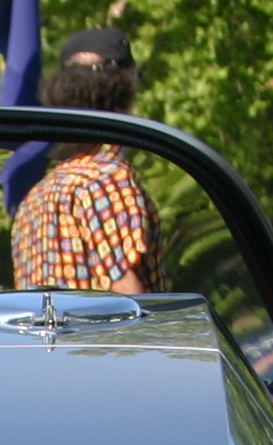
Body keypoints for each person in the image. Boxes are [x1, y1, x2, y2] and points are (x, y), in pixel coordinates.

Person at [11, 60, 164, 292]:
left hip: (42, 327)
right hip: (102, 329)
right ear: (122, 110)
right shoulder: (105, 179)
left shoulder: (37, 194)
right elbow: (126, 289)